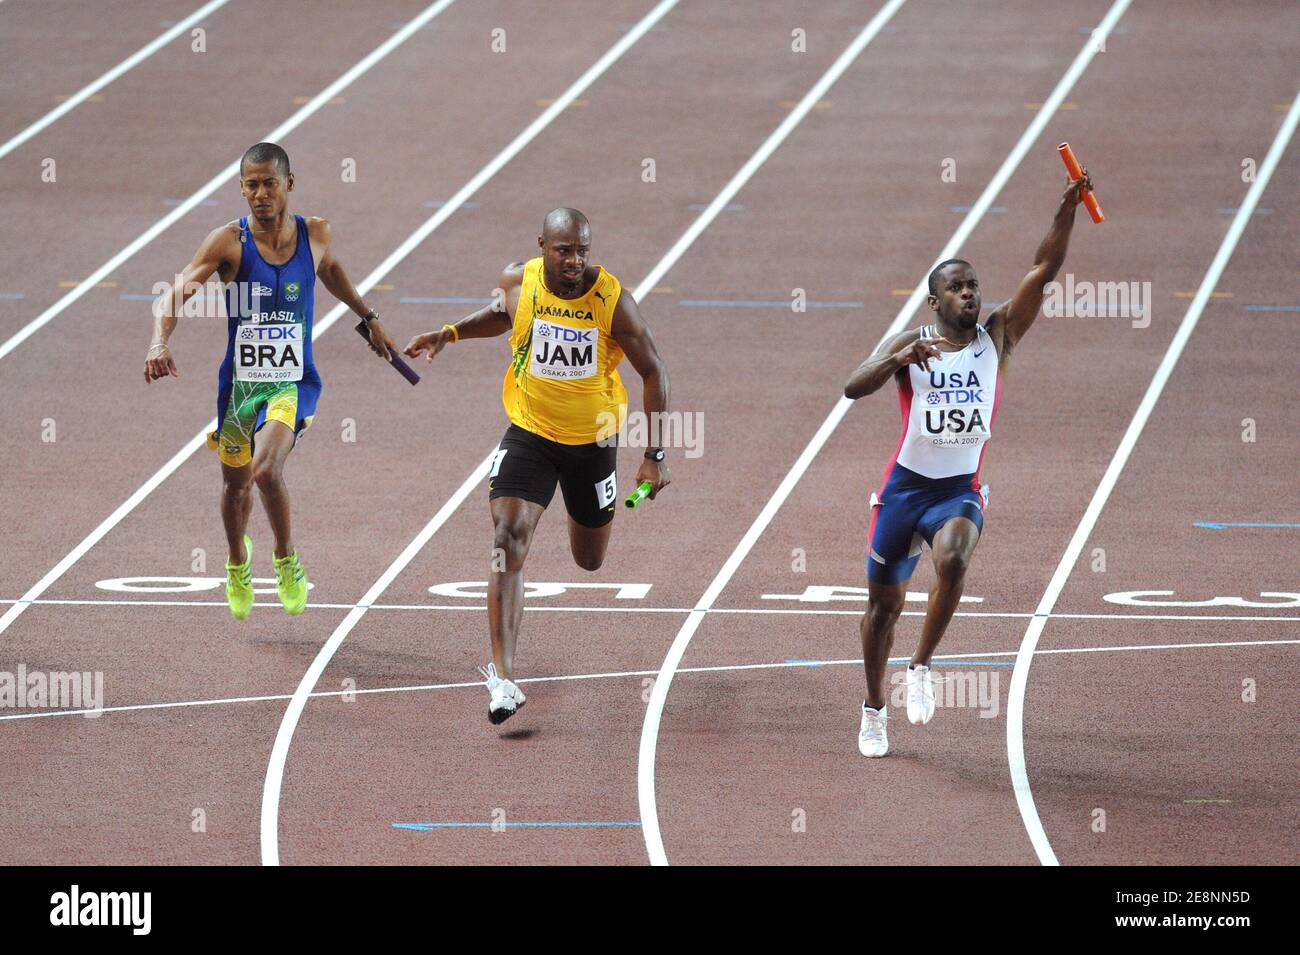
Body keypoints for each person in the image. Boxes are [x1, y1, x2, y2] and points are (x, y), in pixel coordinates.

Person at [843, 172, 1093, 757]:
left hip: (957, 489)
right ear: (936, 302)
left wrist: (1067, 207)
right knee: (882, 609)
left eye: (974, 285)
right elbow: (852, 387)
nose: (970, 294)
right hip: (904, 491)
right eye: (957, 288)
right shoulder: (913, 343)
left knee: (953, 559)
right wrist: (900, 358)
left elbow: (1043, 270)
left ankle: (923, 665)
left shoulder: (997, 338)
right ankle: (874, 707)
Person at [404, 208, 671, 724]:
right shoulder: (519, 280)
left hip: (593, 441)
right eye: (564, 250)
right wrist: (450, 333)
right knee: (506, 536)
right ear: (542, 246)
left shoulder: (612, 301)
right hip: (530, 430)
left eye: (582, 251)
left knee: (589, 560)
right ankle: (502, 678)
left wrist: (654, 456)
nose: (574, 261)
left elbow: (654, 370)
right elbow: (505, 315)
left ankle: (580, 516)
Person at [143, 142, 395, 619]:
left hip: (291, 381)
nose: (260, 194)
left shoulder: (314, 233)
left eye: (269, 184)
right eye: (251, 185)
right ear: (241, 188)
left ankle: (286, 558)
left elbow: (331, 269)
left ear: (289, 184)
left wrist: (369, 316)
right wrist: (159, 342)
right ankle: (238, 560)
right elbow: (172, 297)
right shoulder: (227, 243)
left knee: (265, 471)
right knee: (235, 486)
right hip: (239, 386)